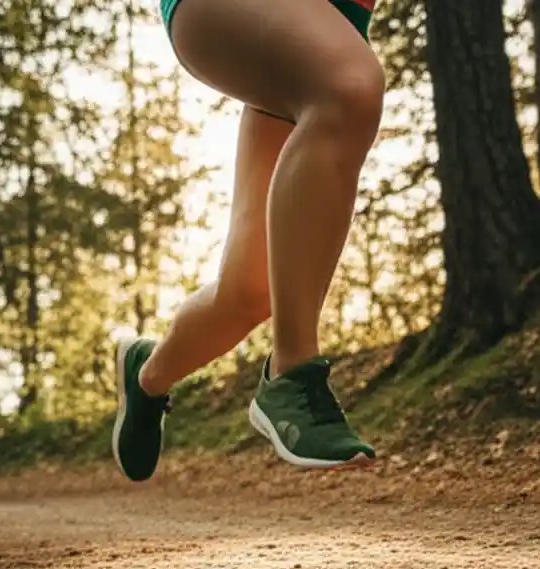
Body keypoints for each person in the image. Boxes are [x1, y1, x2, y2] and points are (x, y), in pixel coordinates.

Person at [111, 0, 382, 480]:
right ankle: (291, 374)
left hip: (324, 22)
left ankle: (147, 375)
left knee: (251, 292)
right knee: (349, 87)